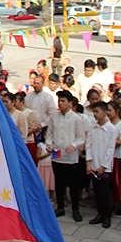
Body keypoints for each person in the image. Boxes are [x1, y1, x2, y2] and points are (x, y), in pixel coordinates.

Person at [48, 90, 87, 221]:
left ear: (70, 103)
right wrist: (49, 144)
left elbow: (81, 138)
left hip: (71, 157)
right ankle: (60, 207)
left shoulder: (77, 118)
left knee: (73, 185)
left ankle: (75, 209)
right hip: (57, 154)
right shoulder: (54, 117)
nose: (60, 103)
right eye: (59, 100)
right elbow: (49, 134)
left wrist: (74, 145)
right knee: (59, 183)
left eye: (63, 101)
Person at [85, 101, 116, 228]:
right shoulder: (93, 127)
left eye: (97, 111)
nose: (95, 114)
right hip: (94, 164)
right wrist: (88, 162)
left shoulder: (111, 129)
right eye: (94, 112)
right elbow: (88, 145)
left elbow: (110, 149)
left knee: (105, 193)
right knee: (97, 191)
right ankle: (99, 214)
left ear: (105, 112)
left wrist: (103, 166)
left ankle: (107, 216)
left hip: (104, 166)